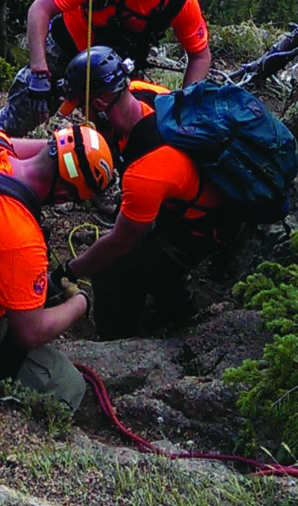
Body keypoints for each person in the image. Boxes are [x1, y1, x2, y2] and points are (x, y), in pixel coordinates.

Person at [0, 119, 114, 414]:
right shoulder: (21, 237)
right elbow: (29, 333)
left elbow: (43, 150)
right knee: (67, 386)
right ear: (65, 195)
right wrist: (79, 303)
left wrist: (71, 148)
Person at [58, 48, 233, 338]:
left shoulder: (146, 170)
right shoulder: (143, 92)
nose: (81, 115)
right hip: (198, 198)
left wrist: (70, 270)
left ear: (101, 104)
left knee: (111, 267)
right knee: (139, 239)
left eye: (83, 107)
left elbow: (119, 243)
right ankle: (168, 296)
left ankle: (120, 340)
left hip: (201, 230)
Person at [0, 0, 210, 136]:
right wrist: (39, 72)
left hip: (115, 72)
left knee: (128, 135)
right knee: (17, 120)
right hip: (67, 50)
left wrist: (186, 103)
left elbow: (200, 56)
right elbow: (40, 9)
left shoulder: (181, 0)